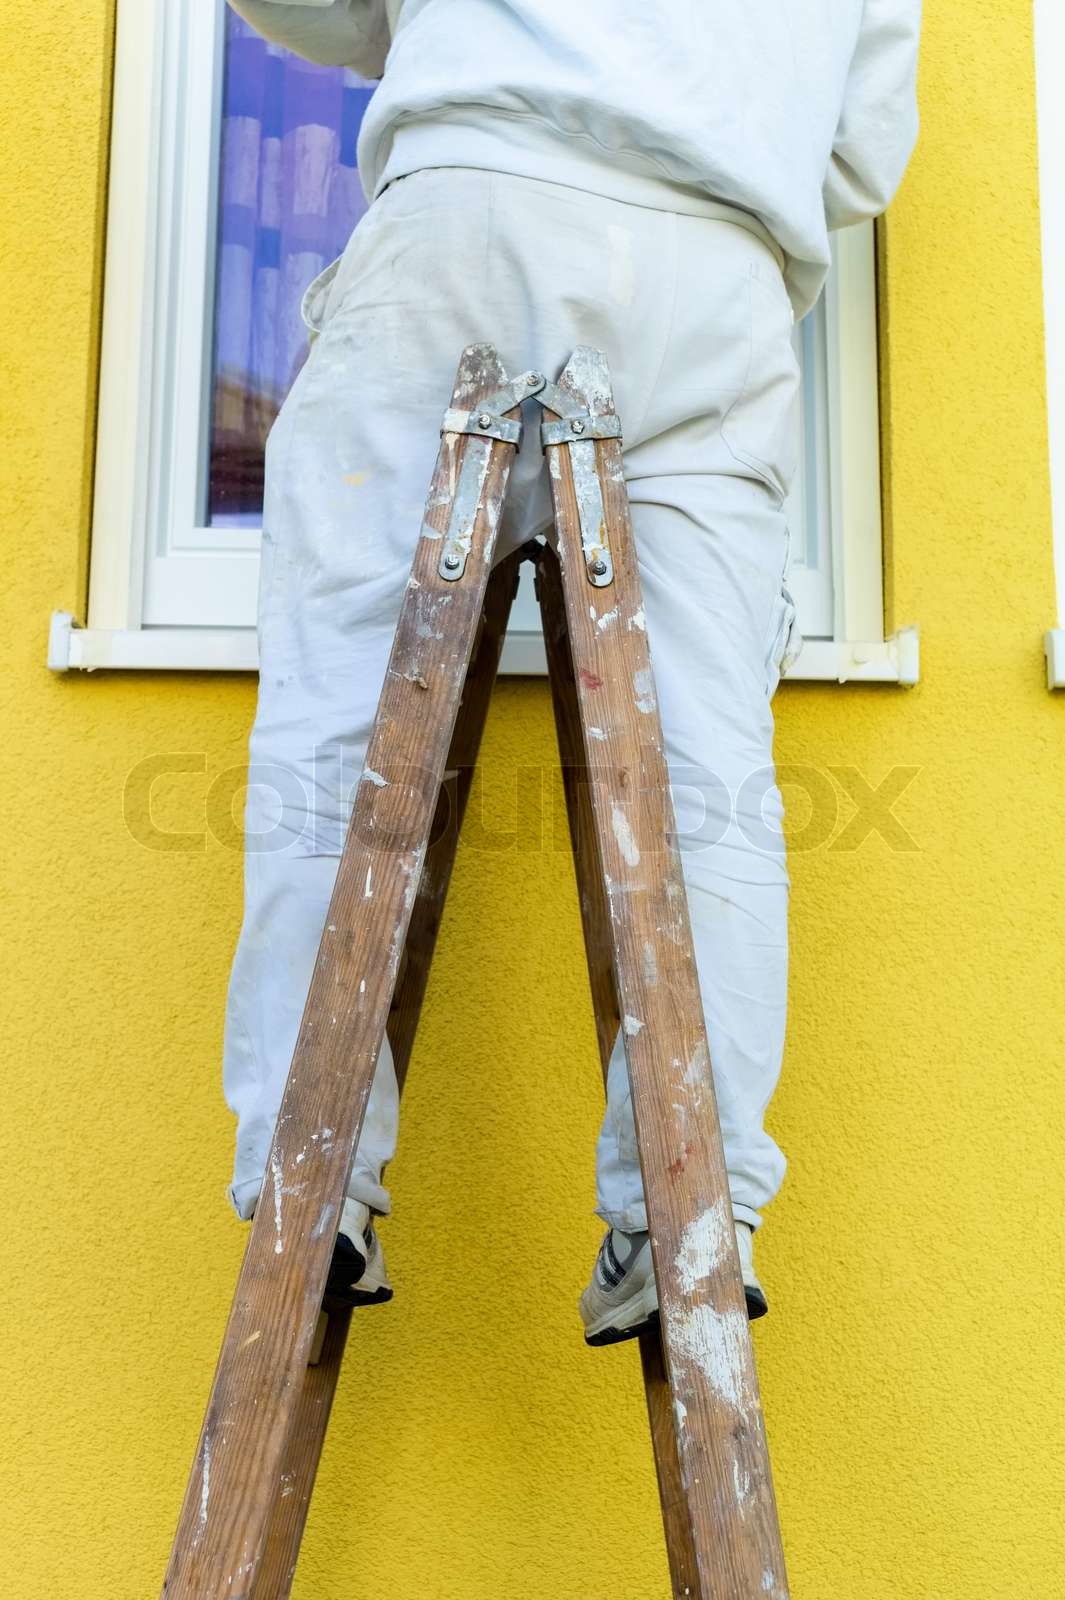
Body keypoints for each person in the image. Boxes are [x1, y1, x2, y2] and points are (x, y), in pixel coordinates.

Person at [223, 0, 921, 1343]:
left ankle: (308, 1184)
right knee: (704, 774)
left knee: (342, 730)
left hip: (472, 209)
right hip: (716, 274)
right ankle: (687, 1212)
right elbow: (855, 157)